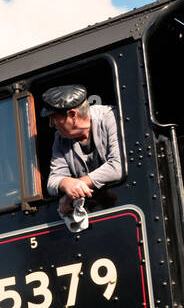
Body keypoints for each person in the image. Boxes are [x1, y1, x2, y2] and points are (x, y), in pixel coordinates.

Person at [42, 84, 123, 216]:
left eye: (53, 118)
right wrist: (65, 183)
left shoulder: (110, 118)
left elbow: (117, 166)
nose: (51, 125)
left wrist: (77, 185)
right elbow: (52, 181)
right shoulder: (60, 138)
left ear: (73, 114)